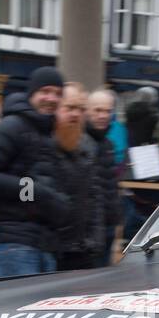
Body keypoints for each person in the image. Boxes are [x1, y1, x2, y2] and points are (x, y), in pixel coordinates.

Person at [0, 66, 71, 278]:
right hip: (16, 245)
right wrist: (33, 191)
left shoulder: (49, 134)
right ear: (32, 93)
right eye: (45, 91)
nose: (51, 98)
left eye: (57, 94)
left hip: (44, 244)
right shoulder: (11, 126)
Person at [53, 83, 107, 271]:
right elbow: (26, 190)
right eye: (69, 108)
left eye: (80, 109)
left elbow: (95, 196)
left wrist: (96, 239)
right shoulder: (42, 144)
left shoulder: (88, 146)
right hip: (53, 250)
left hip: (82, 250)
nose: (75, 114)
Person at [86, 88, 123, 266]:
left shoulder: (108, 143)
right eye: (98, 110)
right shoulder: (81, 142)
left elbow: (110, 184)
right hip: (89, 229)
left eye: (108, 111)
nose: (103, 115)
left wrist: (116, 219)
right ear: (87, 110)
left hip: (107, 225)